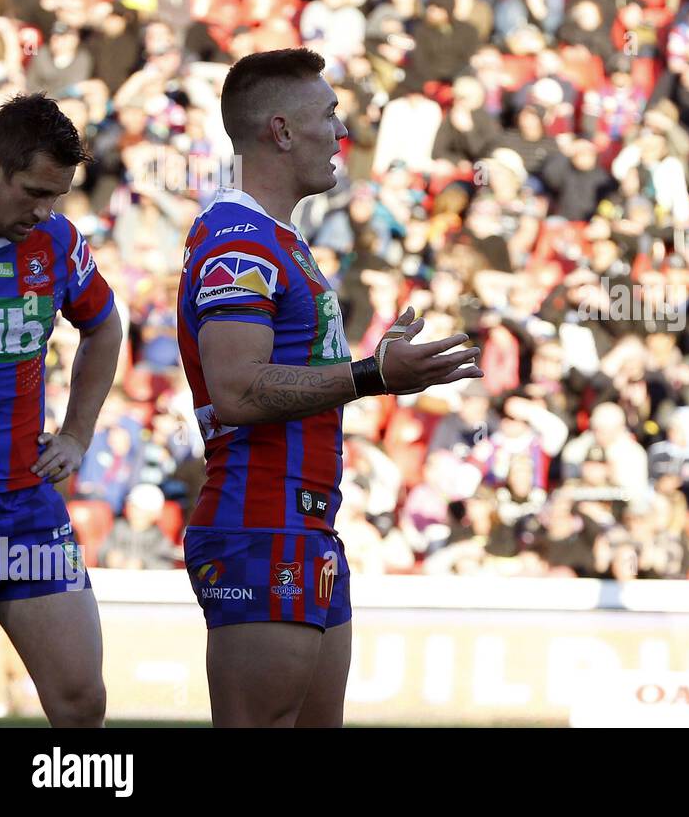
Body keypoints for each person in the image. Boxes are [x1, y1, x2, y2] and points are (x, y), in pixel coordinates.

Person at [176, 48, 483, 727]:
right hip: (259, 522)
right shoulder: (238, 241)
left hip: (306, 524)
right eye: (330, 115)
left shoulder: (280, 239)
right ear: (281, 131)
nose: (343, 133)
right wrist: (375, 374)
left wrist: (380, 365)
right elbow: (237, 390)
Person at [0, 92, 122, 726]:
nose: (42, 211)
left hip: (23, 506)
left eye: (55, 197)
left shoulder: (58, 243)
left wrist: (77, 433)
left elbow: (104, 326)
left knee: (81, 700)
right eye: (33, 192)